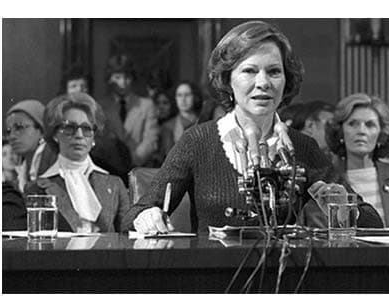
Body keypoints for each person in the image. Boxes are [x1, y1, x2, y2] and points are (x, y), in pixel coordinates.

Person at [125, 21, 334, 233]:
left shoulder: (302, 147)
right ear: (228, 81)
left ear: (286, 80)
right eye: (250, 71)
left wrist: (343, 206)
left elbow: (367, 220)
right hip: (213, 264)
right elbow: (134, 215)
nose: (263, 82)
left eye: (274, 72)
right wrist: (146, 216)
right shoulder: (197, 141)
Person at [22, 92, 132, 233]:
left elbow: (127, 237)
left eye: (86, 129)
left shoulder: (115, 184)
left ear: (93, 137)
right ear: (55, 134)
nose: (79, 136)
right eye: (69, 128)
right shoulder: (37, 189)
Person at [307, 93, 389, 228]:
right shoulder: (324, 177)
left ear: (381, 134)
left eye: (370, 125)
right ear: (340, 131)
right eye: (353, 124)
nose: (361, 131)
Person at [98, 54, 160, 167]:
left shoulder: (146, 105)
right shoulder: (100, 107)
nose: (123, 83)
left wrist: (131, 161)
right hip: (108, 168)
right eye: (117, 77)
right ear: (110, 79)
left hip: (138, 168)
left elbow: (150, 141)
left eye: (127, 78)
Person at [5, 99, 57, 193]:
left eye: (19, 127)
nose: (12, 136)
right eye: (8, 131)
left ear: (42, 130)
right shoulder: (22, 169)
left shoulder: (55, 157)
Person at [160, 80, 204, 158]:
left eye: (187, 95)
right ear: (175, 98)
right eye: (179, 95)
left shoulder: (204, 123)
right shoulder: (168, 126)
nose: (183, 99)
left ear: (195, 97)